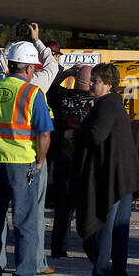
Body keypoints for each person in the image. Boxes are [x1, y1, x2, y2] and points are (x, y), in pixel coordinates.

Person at [0, 40, 53, 276]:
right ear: (30, 69)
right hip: (22, 166)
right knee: (26, 223)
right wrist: (39, 161)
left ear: (9, 65)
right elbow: (44, 134)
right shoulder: (32, 93)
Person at [73, 63, 139, 276]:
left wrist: (72, 133)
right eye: (92, 79)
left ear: (109, 85)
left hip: (111, 180)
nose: (91, 84)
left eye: (96, 81)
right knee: (119, 233)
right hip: (123, 178)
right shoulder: (115, 104)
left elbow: (96, 135)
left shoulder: (106, 105)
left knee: (101, 228)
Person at [47, 64, 95, 258]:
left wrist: (65, 73)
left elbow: (49, 86)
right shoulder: (97, 102)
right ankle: (91, 247)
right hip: (86, 160)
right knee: (88, 207)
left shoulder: (62, 97)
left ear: (75, 79)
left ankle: (59, 248)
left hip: (63, 158)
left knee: (63, 209)